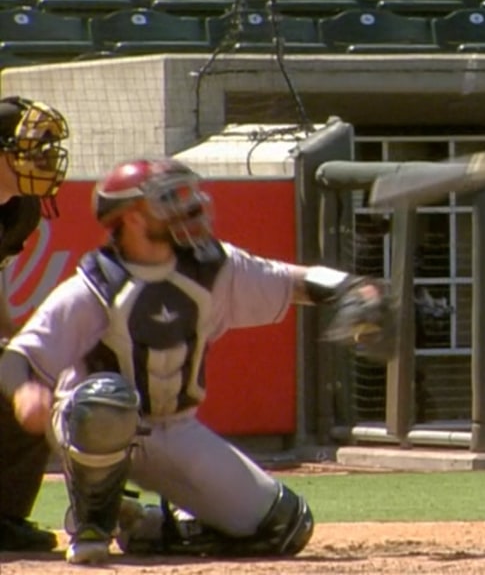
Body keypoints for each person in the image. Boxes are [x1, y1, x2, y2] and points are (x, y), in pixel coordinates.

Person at [1, 158, 389, 564]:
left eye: (186, 196)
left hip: (175, 429)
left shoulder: (213, 267)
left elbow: (295, 281)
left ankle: (144, 525)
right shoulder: (93, 288)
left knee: (284, 525)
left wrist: (353, 290)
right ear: (131, 218)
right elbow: (17, 358)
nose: (188, 209)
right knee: (107, 402)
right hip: (90, 425)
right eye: (169, 200)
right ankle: (92, 522)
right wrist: (25, 392)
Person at [0, 97, 70, 554]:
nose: (45, 157)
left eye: (48, 147)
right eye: (32, 147)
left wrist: (17, 347)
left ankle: (4, 517)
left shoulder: (19, 208)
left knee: (35, 370)